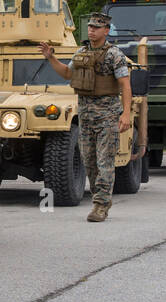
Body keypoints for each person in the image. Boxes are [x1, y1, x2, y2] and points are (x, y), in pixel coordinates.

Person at [40, 12, 132, 222]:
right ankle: (98, 199)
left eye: (96, 28)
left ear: (106, 31)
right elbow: (67, 74)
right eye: (90, 27)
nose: (91, 30)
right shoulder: (81, 53)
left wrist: (125, 114)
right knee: (89, 161)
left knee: (104, 161)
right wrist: (50, 57)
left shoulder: (114, 55)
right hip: (85, 115)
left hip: (108, 115)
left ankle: (100, 205)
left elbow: (125, 86)